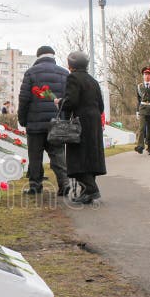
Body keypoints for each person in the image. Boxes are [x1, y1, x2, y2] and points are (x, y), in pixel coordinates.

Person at [18, 45, 69, 195]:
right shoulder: (64, 73)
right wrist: (65, 119)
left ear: (38, 56)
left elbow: (24, 99)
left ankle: (35, 186)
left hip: (35, 123)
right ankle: (64, 183)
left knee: (35, 156)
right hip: (57, 123)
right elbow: (67, 100)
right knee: (58, 154)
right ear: (53, 56)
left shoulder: (30, 73)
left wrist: (23, 119)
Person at [58, 51, 105, 204]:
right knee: (91, 156)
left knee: (78, 157)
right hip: (94, 121)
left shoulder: (73, 78)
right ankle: (86, 192)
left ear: (71, 65)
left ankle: (91, 189)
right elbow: (101, 105)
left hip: (80, 122)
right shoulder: (93, 80)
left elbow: (71, 101)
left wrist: (59, 102)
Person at [134, 66, 150, 154]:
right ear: (143, 75)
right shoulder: (139, 86)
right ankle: (140, 146)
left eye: (149, 74)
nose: (147, 76)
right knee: (141, 128)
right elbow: (139, 100)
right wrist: (137, 111)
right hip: (142, 109)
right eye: (145, 74)